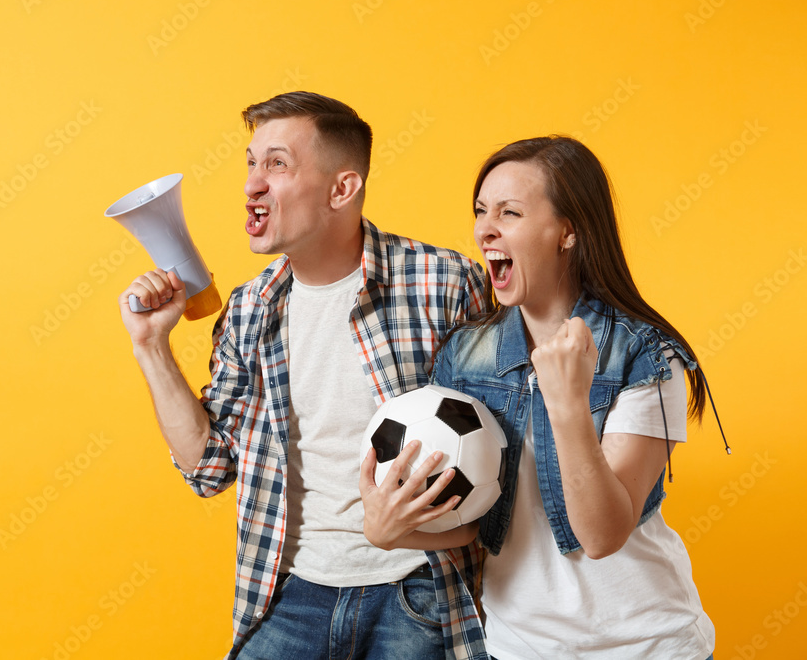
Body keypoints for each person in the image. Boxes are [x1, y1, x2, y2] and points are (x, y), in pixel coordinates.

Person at [119, 91, 490, 659]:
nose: (251, 184)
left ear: (342, 189)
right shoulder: (248, 311)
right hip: (292, 593)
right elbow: (211, 469)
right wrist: (151, 348)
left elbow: (507, 443)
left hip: (419, 591)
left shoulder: (444, 282)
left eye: (277, 163)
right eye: (250, 162)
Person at [365, 135, 717, 658]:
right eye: (482, 211)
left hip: (649, 645)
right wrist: (391, 531)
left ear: (567, 232)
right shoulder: (465, 355)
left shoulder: (643, 353)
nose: (486, 229)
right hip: (520, 646)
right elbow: (471, 522)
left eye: (510, 213)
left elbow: (603, 535)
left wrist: (569, 402)